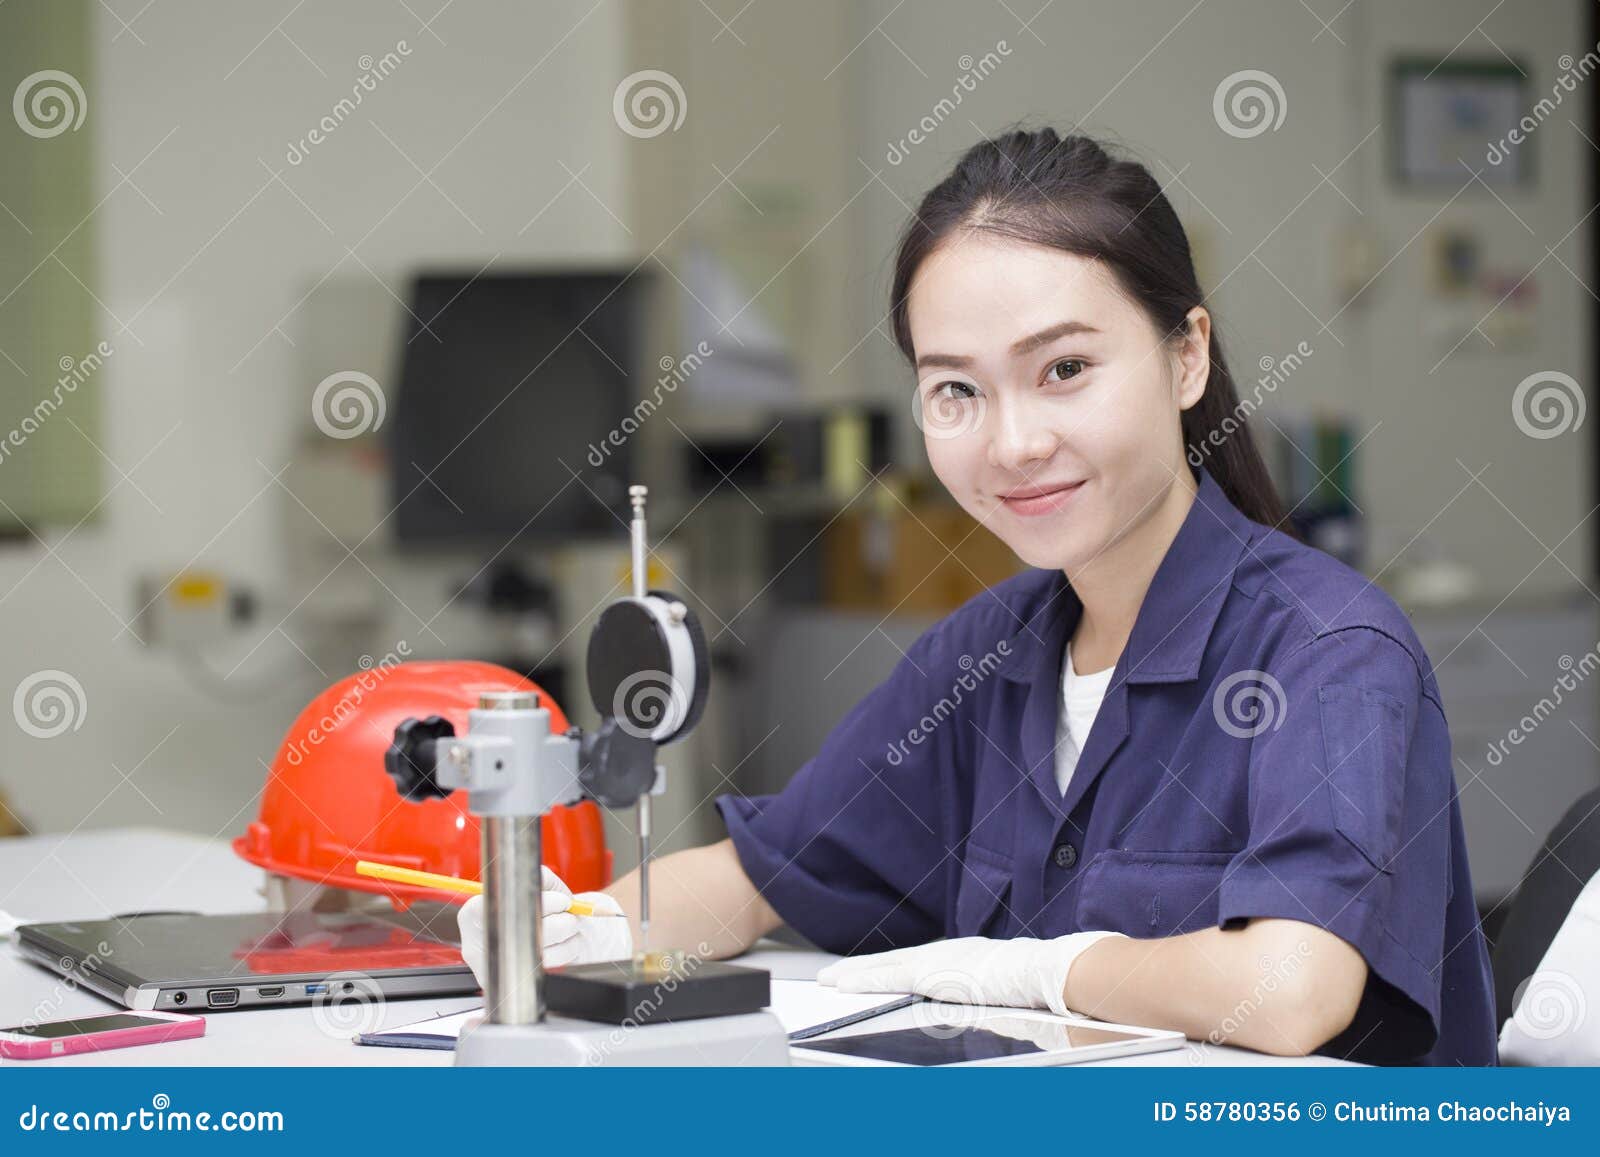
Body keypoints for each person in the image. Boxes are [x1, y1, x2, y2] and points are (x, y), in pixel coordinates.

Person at [460, 128, 1497, 1065]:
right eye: (957, 389)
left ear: (1187, 356)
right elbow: (752, 878)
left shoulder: (1328, 648)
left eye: (1064, 369)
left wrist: (1044, 969)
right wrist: (576, 923)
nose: (1011, 444)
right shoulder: (982, 660)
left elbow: (1289, 990)